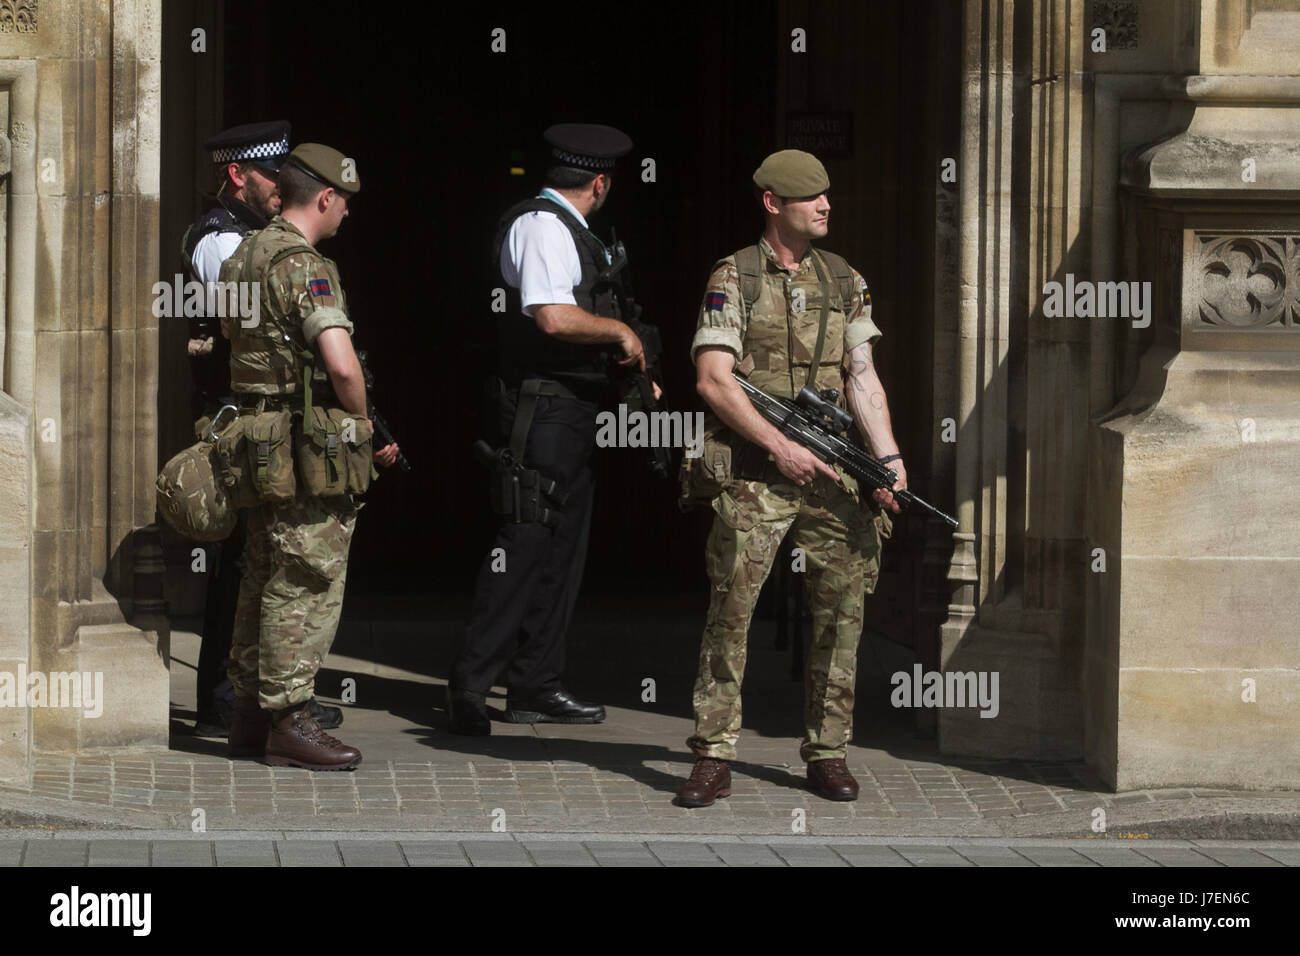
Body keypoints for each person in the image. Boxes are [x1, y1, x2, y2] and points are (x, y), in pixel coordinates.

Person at [676, 149, 905, 806]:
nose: (825, 205)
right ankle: (714, 754)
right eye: (809, 197)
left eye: (826, 194)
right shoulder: (734, 277)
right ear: (773, 203)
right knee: (732, 613)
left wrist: (885, 458)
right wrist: (778, 445)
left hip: (832, 470)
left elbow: (861, 375)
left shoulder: (844, 278)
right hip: (754, 473)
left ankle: (828, 751)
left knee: (843, 612)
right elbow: (714, 379)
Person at [446, 123, 644, 735]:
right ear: (600, 181)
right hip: (541, 410)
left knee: (563, 550)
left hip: (574, 408)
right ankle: (471, 686)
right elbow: (554, 318)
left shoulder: (578, 234)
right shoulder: (541, 225)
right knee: (525, 543)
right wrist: (620, 335)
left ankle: (536, 683)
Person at [218, 143, 398, 770]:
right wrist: (364, 426)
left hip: (256, 436)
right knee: (308, 574)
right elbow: (341, 364)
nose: (346, 215)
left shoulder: (242, 257)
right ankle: (291, 717)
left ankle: (249, 716)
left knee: (263, 572)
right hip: (304, 442)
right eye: (344, 203)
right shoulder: (306, 265)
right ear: (325, 198)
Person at [180, 121, 356, 738]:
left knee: (262, 562)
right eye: (269, 177)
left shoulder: (260, 241)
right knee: (249, 567)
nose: (280, 188)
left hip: (275, 425)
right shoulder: (220, 242)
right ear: (238, 175)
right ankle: (231, 699)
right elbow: (257, 330)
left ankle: (259, 701)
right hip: (247, 421)